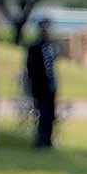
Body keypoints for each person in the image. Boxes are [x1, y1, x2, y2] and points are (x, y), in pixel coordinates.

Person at [25, 19, 59, 149]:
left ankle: (48, 140)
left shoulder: (51, 47)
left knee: (50, 114)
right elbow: (30, 68)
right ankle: (40, 140)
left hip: (50, 87)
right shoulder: (34, 48)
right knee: (42, 113)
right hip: (39, 87)